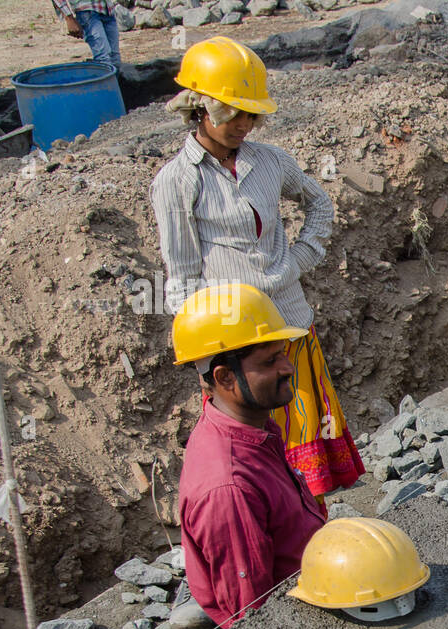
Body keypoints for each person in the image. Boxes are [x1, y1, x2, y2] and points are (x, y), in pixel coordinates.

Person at [151, 36, 364, 505]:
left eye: (252, 115)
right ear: (200, 108)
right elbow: (182, 275)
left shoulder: (268, 162)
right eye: (234, 114)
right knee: (255, 454)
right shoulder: (177, 181)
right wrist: (203, 358)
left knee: (305, 451)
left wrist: (301, 258)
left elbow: (319, 203)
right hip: (236, 344)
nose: (244, 125)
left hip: (288, 321)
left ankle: (312, 532)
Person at [173, 283, 327, 629]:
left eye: (282, 354)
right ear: (225, 377)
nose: (288, 368)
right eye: (270, 361)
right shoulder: (229, 489)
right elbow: (253, 620)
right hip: (298, 622)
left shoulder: (250, 429)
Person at [50, 1, 122, 72]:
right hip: (87, 12)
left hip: (108, 10)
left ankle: (114, 82)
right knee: (104, 59)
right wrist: (69, 18)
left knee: (115, 59)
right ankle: (105, 82)